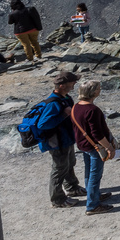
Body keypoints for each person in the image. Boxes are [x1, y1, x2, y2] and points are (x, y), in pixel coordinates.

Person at [29, 71, 86, 207]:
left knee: (70, 163)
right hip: (57, 142)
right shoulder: (53, 103)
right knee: (59, 168)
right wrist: (63, 115)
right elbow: (43, 124)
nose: (74, 85)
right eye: (72, 82)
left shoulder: (65, 98)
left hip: (66, 139)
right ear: (62, 85)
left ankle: (72, 188)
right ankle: (57, 199)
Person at [70, 80, 117, 214]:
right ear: (94, 92)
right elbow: (97, 134)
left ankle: (94, 195)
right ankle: (92, 205)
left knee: (89, 172)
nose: (100, 90)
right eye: (98, 88)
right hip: (94, 147)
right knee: (95, 175)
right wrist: (109, 147)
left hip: (83, 144)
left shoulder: (76, 107)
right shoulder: (93, 110)